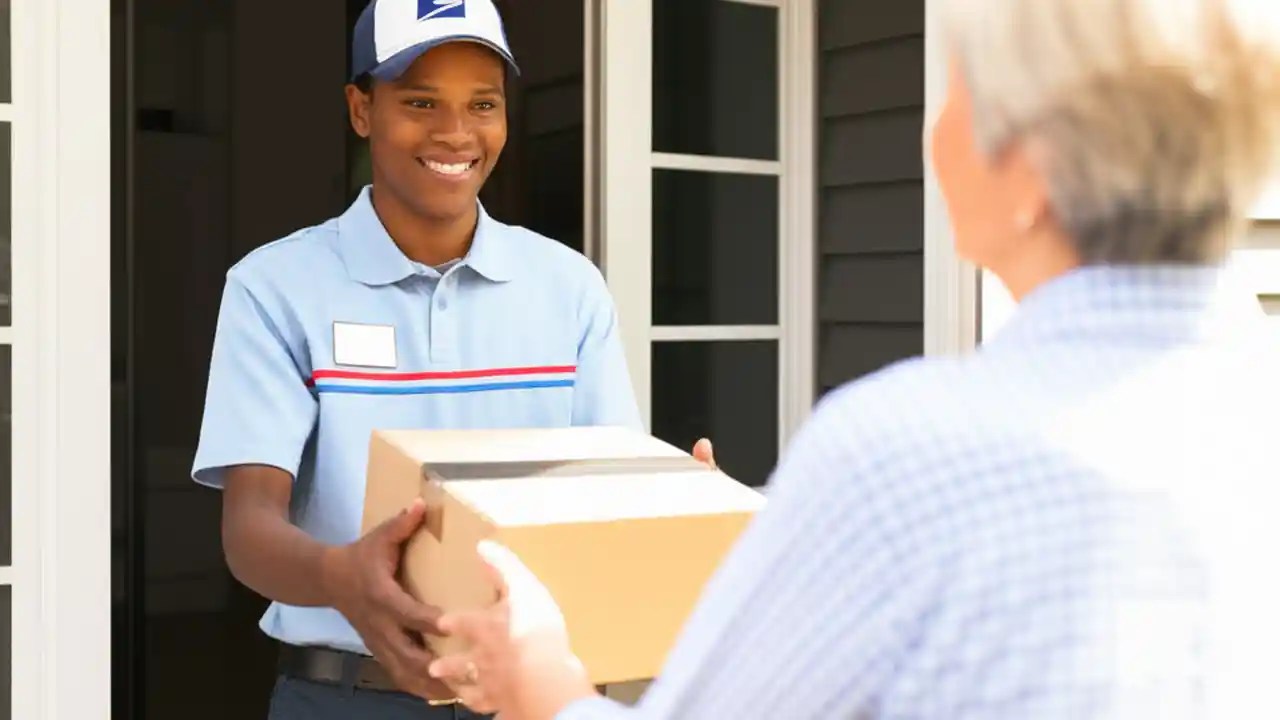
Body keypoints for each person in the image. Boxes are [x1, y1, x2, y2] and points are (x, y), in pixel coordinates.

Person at [426, 0, 1280, 717]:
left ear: (1028, 175)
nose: (929, 129)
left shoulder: (909, 451)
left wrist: (542, 680)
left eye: (955, 96)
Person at [190, 1, 714, 718]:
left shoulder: (569, 288)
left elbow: (602, 495)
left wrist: (680, 507)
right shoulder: (274, 288)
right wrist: (343, 575)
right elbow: (249, 531)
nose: (456, 132)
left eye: (483, 104)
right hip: (345, 694)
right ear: (361, 108)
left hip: (532, 693)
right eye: (421, 101)